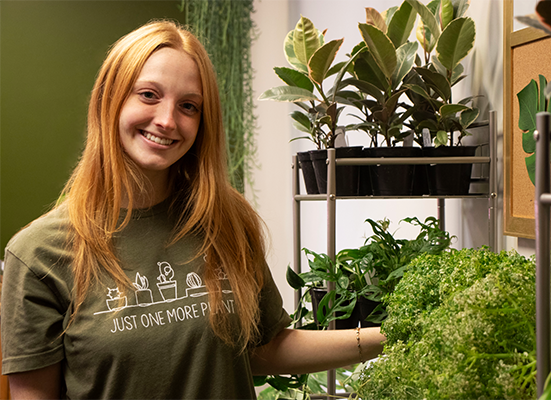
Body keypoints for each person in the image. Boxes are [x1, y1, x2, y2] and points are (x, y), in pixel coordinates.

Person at [0, 20, 385, 400]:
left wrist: (389, 337)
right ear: (109, 100)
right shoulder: (39, 255)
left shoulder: (225, 221)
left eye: (188, 106)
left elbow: (264, 347)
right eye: (148, 95)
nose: (168, 120)